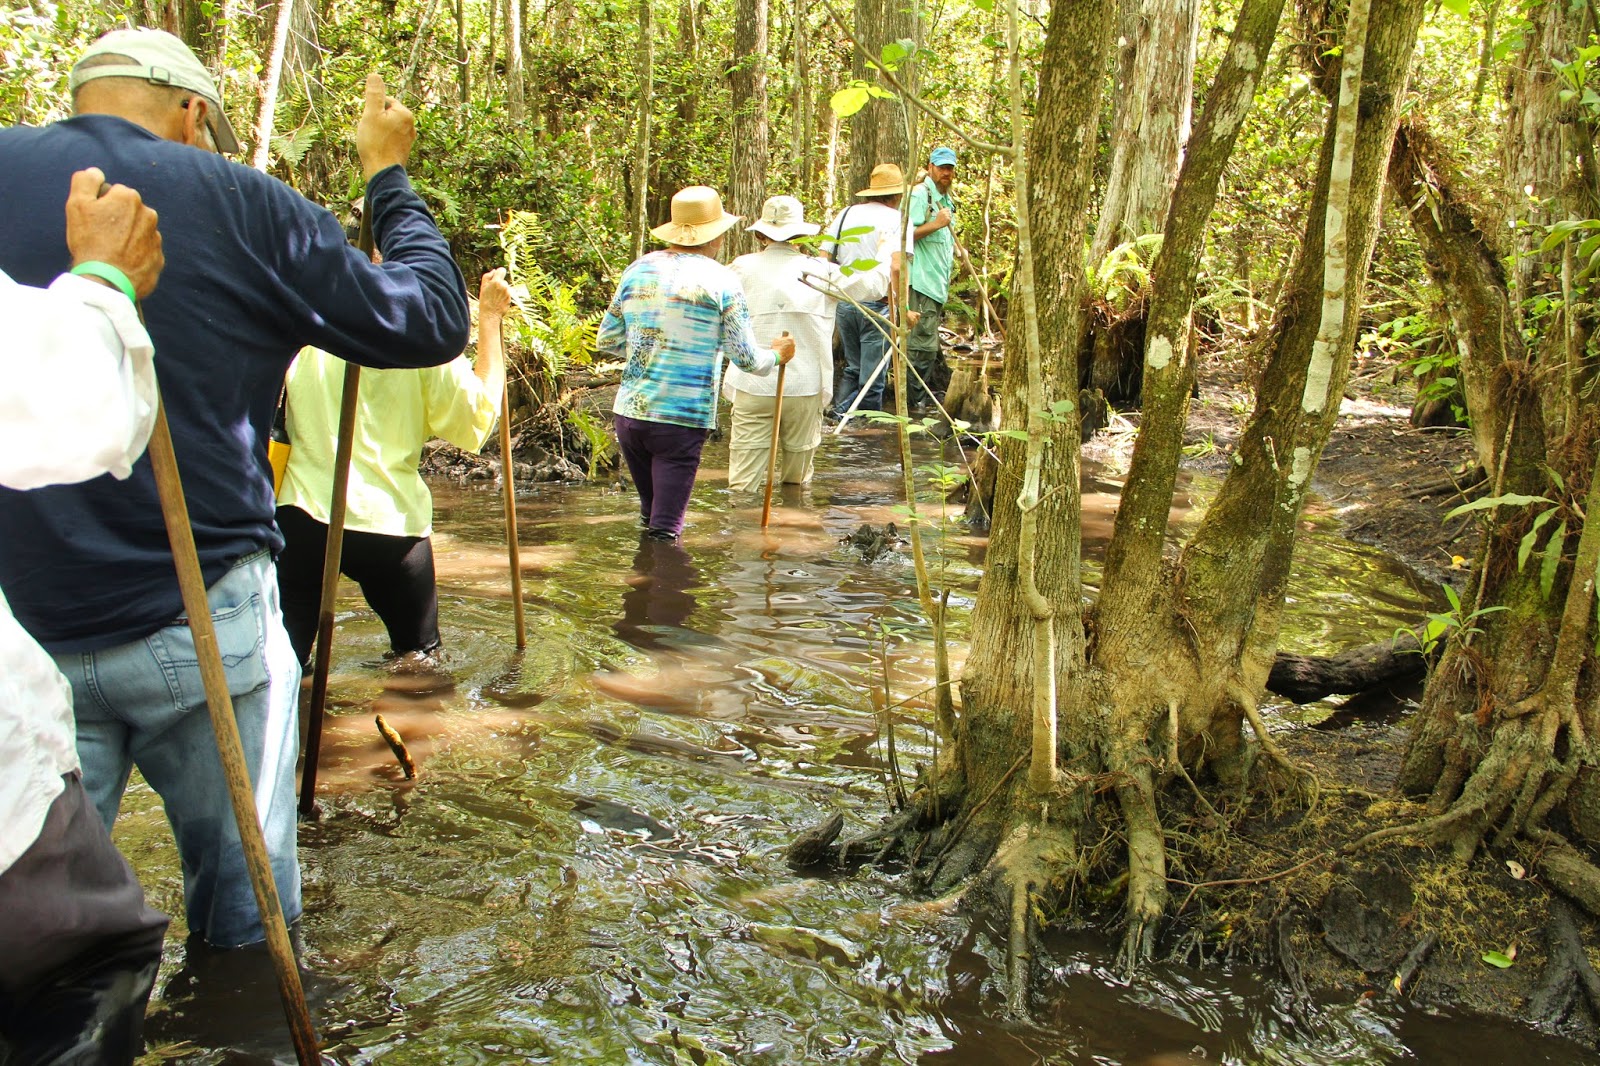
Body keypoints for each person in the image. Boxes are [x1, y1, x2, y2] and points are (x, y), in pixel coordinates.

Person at [0, 28, 470, 951]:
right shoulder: (243, 199)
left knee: (37, 933)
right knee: (249, 917)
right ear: (193, 112)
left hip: (25, 632)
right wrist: (388, 179)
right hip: (199, 614)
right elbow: (429, 318)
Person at [0, 170, 170, 1065]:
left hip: (58, 627)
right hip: (11, 820)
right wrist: (103, 283)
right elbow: (69, 407)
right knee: (91, 965)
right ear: (190, 114)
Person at [274, 268, 511, 666]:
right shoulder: (421, 337)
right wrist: (489, 319)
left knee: (284, 666)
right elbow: (477, 421)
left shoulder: (304, 322)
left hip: (303, 514)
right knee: (419, 660)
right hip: (388, 524)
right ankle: (408, 725)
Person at [599, 185, 796, 542]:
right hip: (681, 421)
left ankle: (640, 594)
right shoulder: (722, 280)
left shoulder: (638, 269)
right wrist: (778, 355)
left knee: (650, 517)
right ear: (717, 236)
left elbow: (608, 340)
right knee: (665, 531)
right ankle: (665, 592)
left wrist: (654, 350)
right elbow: (748, 359)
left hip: (630, 415)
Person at [725, 195, 897, 490]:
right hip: (804, 387)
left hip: (752, 384)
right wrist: (884, 253)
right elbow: (875, 285)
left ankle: (743, 531)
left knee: (743, 484)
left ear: (759, 234)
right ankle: (792, 526)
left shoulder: (739, 268)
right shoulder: (820, 271)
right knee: (797, 481)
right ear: (801, 235)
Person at [823, 163, 914, 418]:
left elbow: (823, 256)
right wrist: (903, 309)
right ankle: (865, 436)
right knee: (874, 377)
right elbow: (897, 267)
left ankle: (838, 420)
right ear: (897, 195)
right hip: (878, 304)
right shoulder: (898, 219)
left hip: (845, 301)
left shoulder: (846, 214)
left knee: (853, 368)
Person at [906, 146, 959, 412]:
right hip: (922, 281)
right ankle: (914, 404)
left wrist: (957, 248)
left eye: (950, 168)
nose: (946, 173)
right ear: (930, 167)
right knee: (921, 346)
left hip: (937, 282)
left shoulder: (947, 199)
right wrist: (936, 225)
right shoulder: (919, 194)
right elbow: (905, 234)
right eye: (941, 167)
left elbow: (943, 234)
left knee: (925, 344)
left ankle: (917, 399)